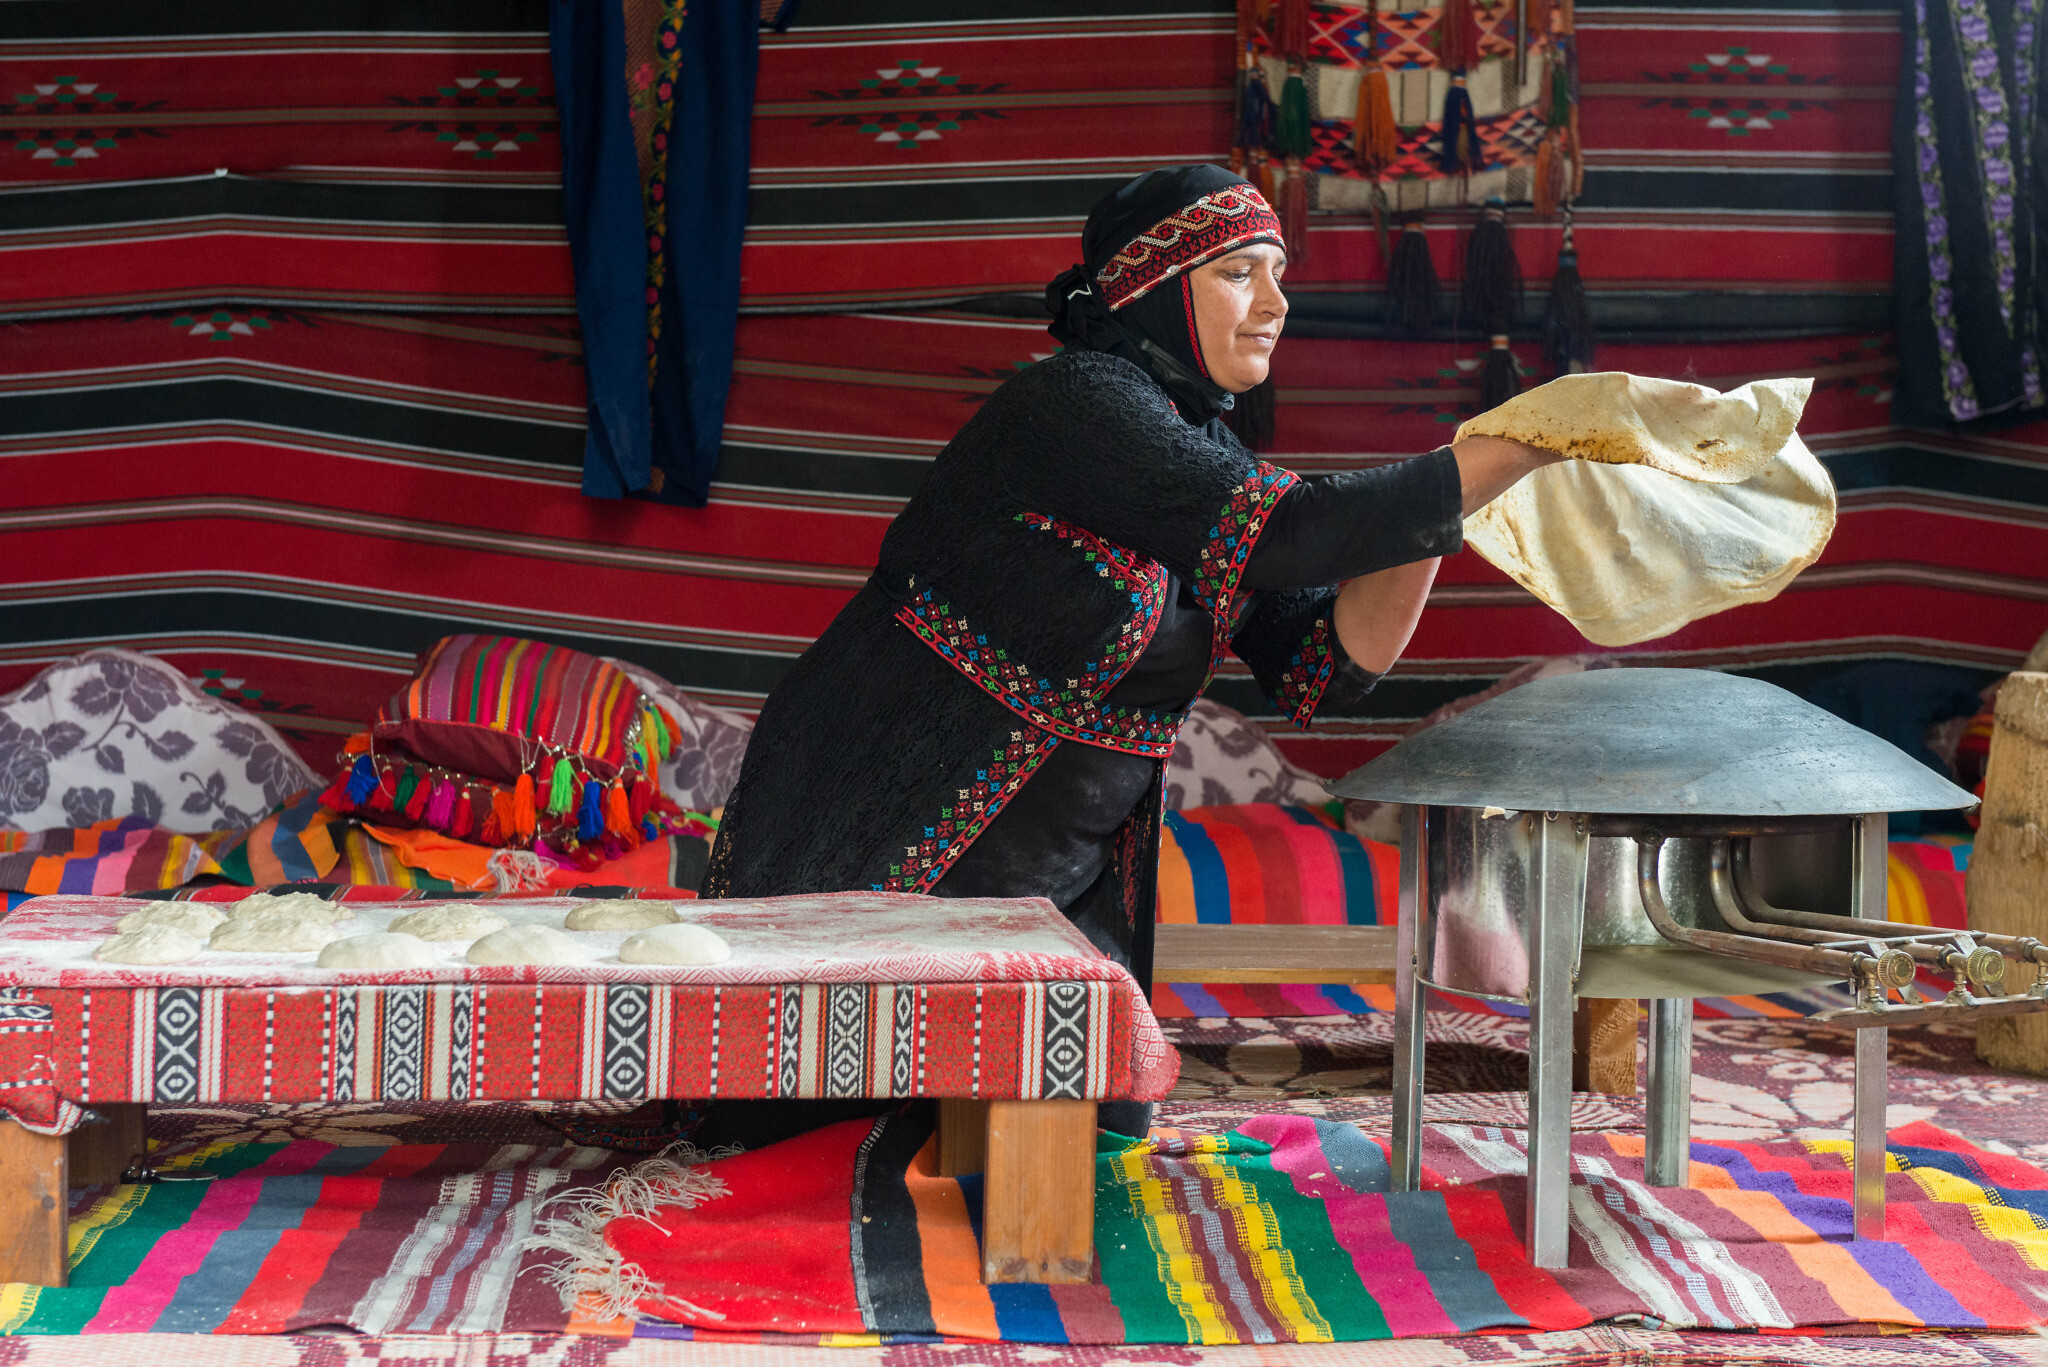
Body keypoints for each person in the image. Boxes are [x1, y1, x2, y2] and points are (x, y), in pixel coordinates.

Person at [699, 163, 1557, 1141]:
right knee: (829, 1134)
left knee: (1101, 1128)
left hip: (1059, 886)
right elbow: (1287, 532)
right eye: (1240, 271)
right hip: (903, 837)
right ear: (1153, 287)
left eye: (1278, 272)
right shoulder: (1074, 405)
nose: (1276, 302)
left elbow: (1322, 662)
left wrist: (1469, 478)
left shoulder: (1202, 449)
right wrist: (1506, 450)